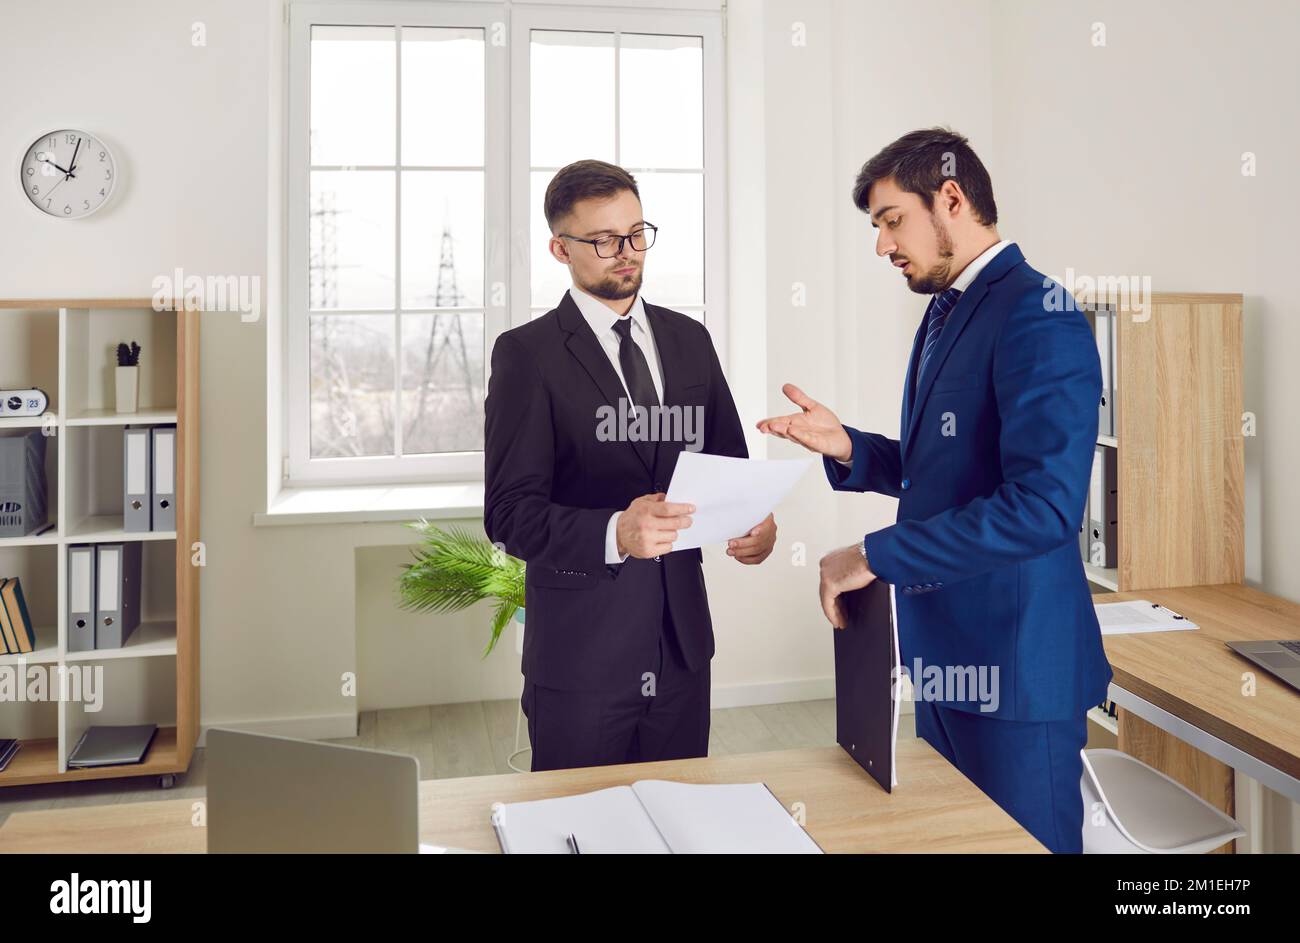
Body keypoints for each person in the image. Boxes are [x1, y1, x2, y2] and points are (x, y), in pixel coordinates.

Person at [758, 128, 1111, 853]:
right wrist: (851, 447)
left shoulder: (1039, 312)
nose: (883, 246)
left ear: (950, 198)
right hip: (944, 657)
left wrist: (875, 554)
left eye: (891, 220)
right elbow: (951, 470)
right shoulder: (945, 310)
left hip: (1017, 674)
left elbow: (1042, 507)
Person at [485, 159, 777, 771]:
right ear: (560, 248)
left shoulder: (689, 339)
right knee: (578, 827)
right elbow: (510, 515)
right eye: (603, 240)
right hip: (582, 660)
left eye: (637, 233)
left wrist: (753, 521)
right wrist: (613, 532)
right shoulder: (526, 356)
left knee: (677, 822)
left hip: (682, 650)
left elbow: (726, 463)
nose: (626, 253)